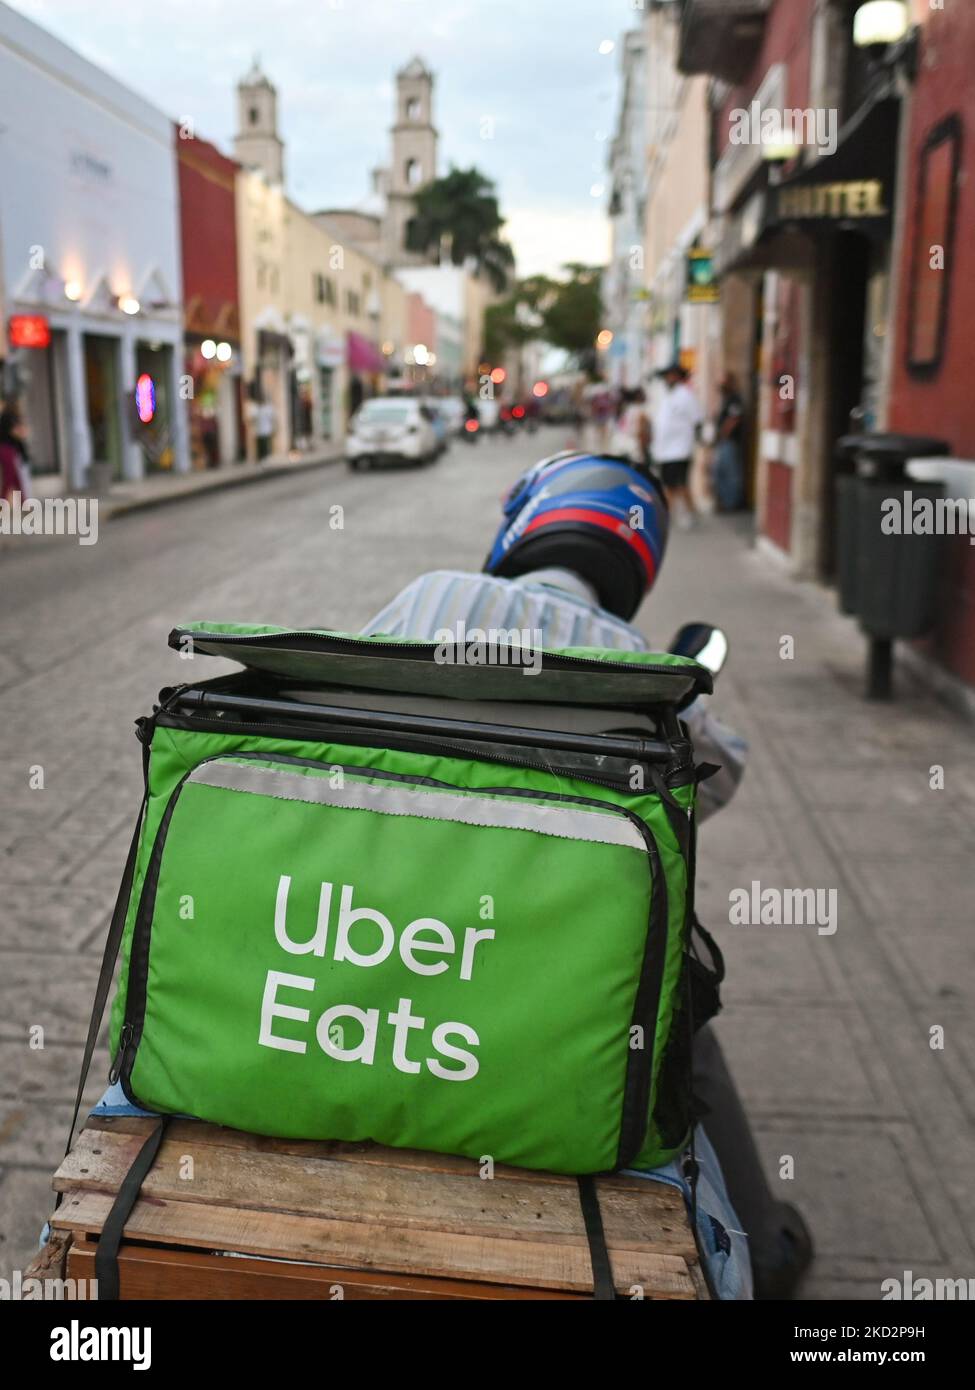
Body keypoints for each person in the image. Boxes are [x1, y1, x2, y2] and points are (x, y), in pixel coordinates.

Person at [365, 448, 813, 1298]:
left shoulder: (427, 597)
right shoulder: (645, 668)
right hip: (557, 970)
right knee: (681, 1009)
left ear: (523, 524)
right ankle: (766, 1249)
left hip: (384, 930)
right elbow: (712, 787)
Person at [653, 363, 703, 527]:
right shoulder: (668, 396)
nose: (669, 378)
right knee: (670, 485)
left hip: (680, 449)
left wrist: (699, 442)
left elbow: (697, 420)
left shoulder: (686, 396)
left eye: (672, 375)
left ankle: (684, 514)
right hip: (665, 449)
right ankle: (672, 514)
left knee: (679, 484)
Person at [714, 372, 746, 511]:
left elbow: (734, 419)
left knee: (732, 474)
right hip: (723, 442)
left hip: (730, 442)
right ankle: (726, 502)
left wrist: (724, 434)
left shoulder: (734, 399)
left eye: (724, 382)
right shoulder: (726, 399)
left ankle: (733, 503)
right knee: (720, 472)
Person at [0, 404, 31, 501]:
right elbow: (16, 432)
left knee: (15, 479)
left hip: (9, 450)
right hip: (7, 449)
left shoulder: (7, 418)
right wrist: (22, 432)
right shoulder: (9, 418)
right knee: (10, 478)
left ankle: (24, 502)